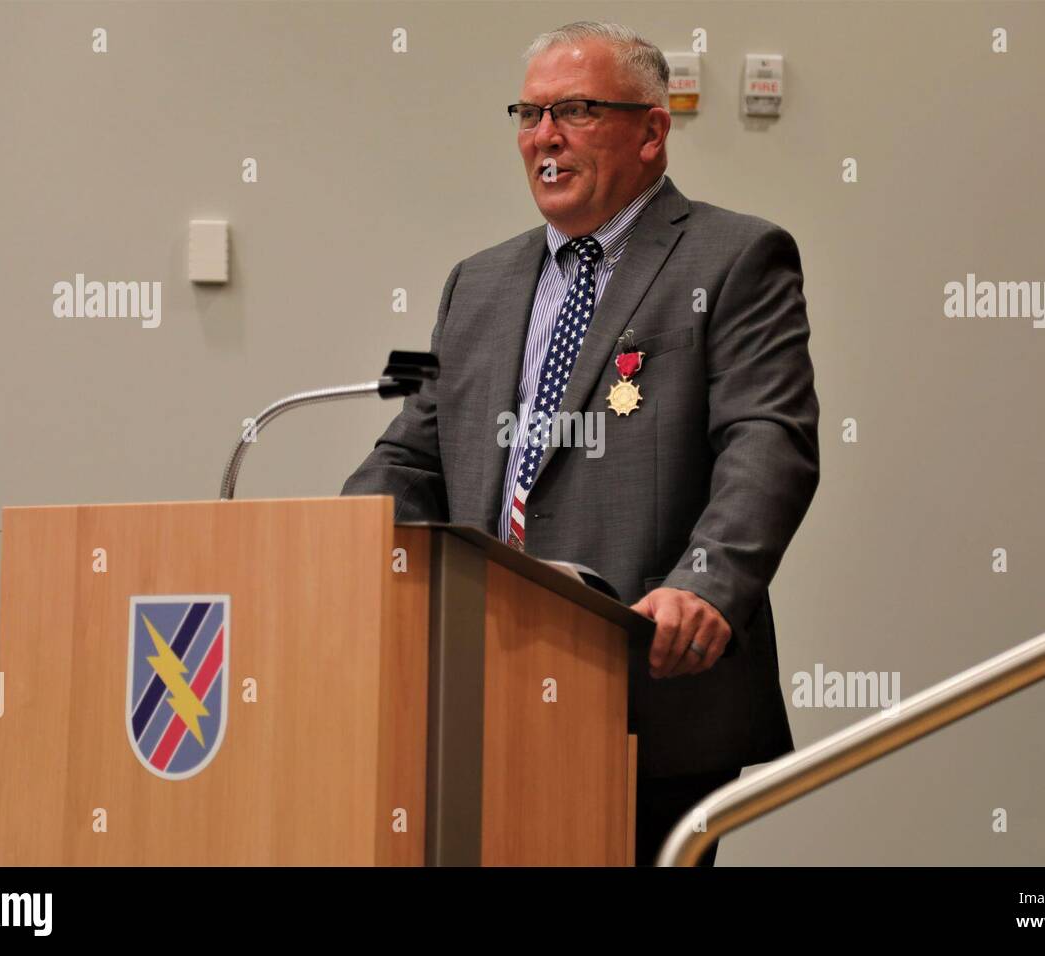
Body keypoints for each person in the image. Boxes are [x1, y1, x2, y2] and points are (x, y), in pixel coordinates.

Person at [343, 20, 820, 866]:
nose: (544, 137)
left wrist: (708, 586)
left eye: (575, 110)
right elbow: (414, 452)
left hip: (647, 685)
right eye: (528, 114)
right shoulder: (478, 281)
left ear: (652, 129)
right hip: (474, 691)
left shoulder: (736, 256)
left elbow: (768, 438)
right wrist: (342, 548)